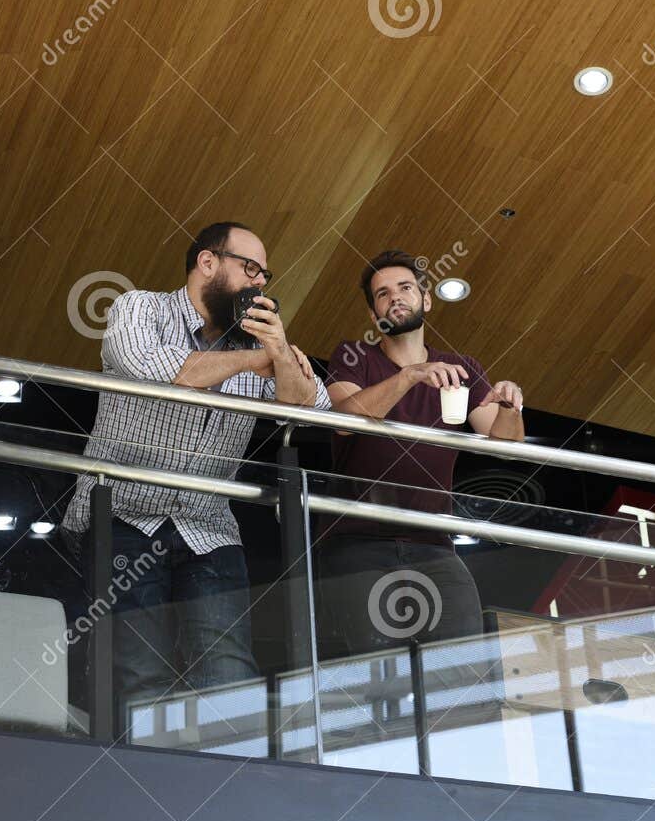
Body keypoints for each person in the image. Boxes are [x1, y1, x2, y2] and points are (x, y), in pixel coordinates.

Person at [63, 221, 331, 717]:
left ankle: (225, 767)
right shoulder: (140, 307)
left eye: (265, 275)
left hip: (210, 528)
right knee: (141, 675)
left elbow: (308, 410)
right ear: (208, 262)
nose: (260, 283)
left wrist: (278, 353)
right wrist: (253, 361)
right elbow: (159, 369)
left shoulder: (256, 345)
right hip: (123, 516)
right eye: (251, 268)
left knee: (229, 676)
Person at [319, 249, 524, 658]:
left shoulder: (461, 367)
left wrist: (509, 406)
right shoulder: (354, 355)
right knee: (381, 670)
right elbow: (344, 419)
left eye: (405, 288)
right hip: (358, 542)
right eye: (382, 294)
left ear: (426, 300)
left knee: (460, 664)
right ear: (374, 313)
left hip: (434, 543)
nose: (395, 297)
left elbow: (508, 447)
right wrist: (410, 376)